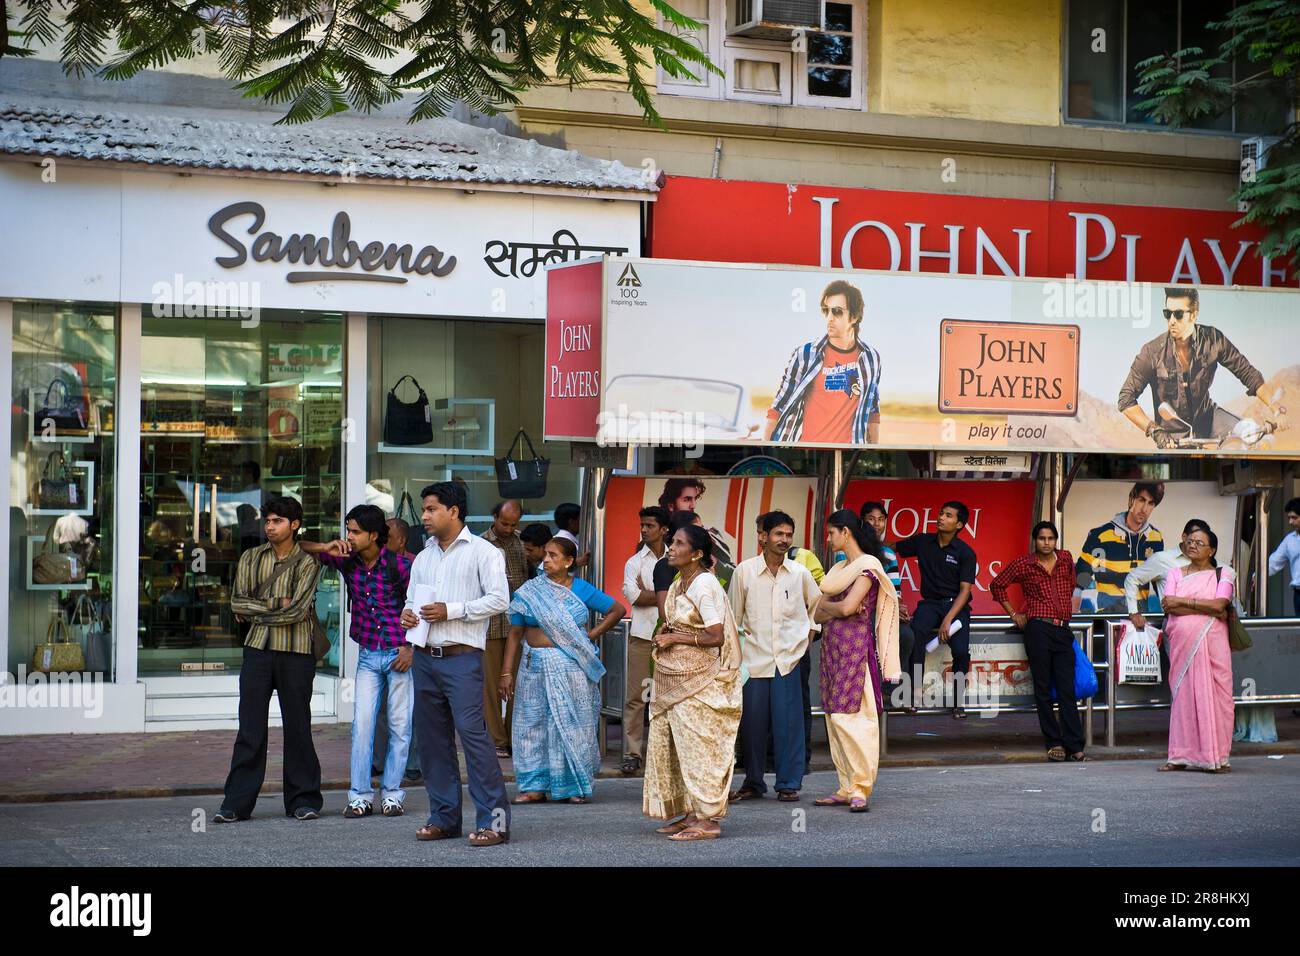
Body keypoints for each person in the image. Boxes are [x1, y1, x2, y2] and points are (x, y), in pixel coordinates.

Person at [399, 482, 512, 846]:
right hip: (425, 658)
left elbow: (499, 600)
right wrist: (408, 615)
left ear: (454, 511)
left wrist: (454, 610)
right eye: (425, 509)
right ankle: (444, 818)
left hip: (463, 659)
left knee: (474, 740)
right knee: (432, 742)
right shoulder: (423, 556)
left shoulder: (484, 552)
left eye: (431, 509)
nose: (425, 516)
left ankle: (495, 823)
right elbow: (411, 600)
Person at [299, 505, 414, 816]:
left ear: (373, 535)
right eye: (348, 530)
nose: (348, 536)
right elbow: (299, 546)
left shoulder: (401, 566)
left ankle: (392, 794)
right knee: (362, 725)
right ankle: (360, 796)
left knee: (400, 726)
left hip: (398, 653)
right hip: (367, 655)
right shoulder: (346, 561)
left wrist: (410, 648)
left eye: (355, 532)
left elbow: (418, 606)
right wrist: (327, 546)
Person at [215, 496, 324, 823]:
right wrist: (275, 604)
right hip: (258, 650)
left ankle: (303, 800)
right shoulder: (251, 557)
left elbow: (297, 610)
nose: (269, 526)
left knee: (298, 727)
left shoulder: (308, 561)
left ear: (294, 525)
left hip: (297, 653)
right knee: (249, 728)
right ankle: (235, 803)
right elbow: (237, 603)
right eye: (268, 521)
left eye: (277, 521)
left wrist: (258, 608)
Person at [499, 537, 625, 804]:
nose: (546, 560)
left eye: (553, 556)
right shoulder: (530, 590)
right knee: (531, 725)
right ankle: (534, 786)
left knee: (571, 724)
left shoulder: (581, 588)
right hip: (533, 665)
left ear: (569, 562)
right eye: (545, 554)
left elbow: (617, 609)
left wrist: (591, 635)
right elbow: (516, 633)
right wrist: (506, 672)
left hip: (570, 667)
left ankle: (573, 786)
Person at [643, 524, 744, 841]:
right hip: (678, 679)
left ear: (698, 554)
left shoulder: (703, 584)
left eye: (679, 543)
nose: (671, 547)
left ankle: (709, 820)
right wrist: (667, 637)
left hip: (703, 683)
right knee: (681, 749)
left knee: (700, 749)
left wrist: (675, 636)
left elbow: (716, 636)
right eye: (672, 542)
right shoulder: (679, 584)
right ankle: (690, 813)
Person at [728, 510, 820, 803]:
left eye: (788, 535)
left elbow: (816, 607)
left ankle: (788, 783)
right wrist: (735, 660)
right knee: (753, 726)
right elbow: (733, 617)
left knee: (789, 725)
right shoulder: (744, 571)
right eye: (778, 534)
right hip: (753, 660)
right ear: (763, 537)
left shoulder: (800, 573)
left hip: (789, 660)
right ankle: (753, 782)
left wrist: (808, 636)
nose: (784, 540)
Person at [811, 510, 900, 812]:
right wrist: (842, 608)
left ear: (845, 532)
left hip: (856, 652)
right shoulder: (838, 570)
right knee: (834, 718)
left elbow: (845, 607)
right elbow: (819, 612)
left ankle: (861, 786)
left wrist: (840, 607)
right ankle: (846, 786)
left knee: (851, 718)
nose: (828, 538)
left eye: (831, 532)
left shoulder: (868, 567)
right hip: (833, 650)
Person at [1119, 286, 1268, 447]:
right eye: (1167, 314)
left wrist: (1275, 406)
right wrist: (1155, 430)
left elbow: (1248, 374)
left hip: (1210, 419)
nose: (1172, 321)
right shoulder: (1151, 352)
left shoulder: (1213, 340)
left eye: (1178, 314)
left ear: (1194, 315)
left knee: (1253, 435)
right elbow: (1125, 400)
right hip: (1173, 437)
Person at [991, 521, 1086, 762]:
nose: (1046, 542)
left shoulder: (1065, 559)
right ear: (1035, 541)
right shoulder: (1024, 564)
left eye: (1050, 538)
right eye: (1042, 538)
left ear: (1056, 540)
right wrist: (1014, 614)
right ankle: (1054, 742)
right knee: (1042, 688)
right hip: (1038, 629)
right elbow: (997, 585)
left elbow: (1073, 583)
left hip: (1063, 629)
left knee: (1067, 689)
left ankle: (1074, 744)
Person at [764, 279, 883, 444]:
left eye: (837, 311)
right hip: (808, 456)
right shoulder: (805, 355)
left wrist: (870, 452)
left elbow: (872, 411)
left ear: (854, 317)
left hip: (851, 456)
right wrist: (767, 450)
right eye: (826, 311)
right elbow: (778, 407)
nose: (829, 317)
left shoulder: (871, 358)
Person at [1159, 527, 1236, 773]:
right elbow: (1169, 607)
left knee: (1218, 698)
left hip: (1213, 645)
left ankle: (1217, 756)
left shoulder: (1224, 574)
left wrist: (1183, 601)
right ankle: (1179, 755)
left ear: (1211, 550)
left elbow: (1220, 604)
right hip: (1182, 646)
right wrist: (1206, 607)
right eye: (1190, 541)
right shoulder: (1174, 573)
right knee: (1183, 699)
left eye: (1199, 542)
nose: (1192, 545)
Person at [895, 501, 976, 717]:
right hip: (929, 604)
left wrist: (948, 619)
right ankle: (915, 693)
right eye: (941, 513)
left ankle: (958, 702)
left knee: (960, 651)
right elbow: (891, 549)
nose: (941, 517)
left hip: (956, 607)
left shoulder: (965, 552)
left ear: (959, 524)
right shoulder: (923, 541)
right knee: (916, 635)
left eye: (948, 516)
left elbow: (965, 591)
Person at [620, 505, 672, 774]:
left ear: (664, 529)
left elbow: (682, 595)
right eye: (642, 525)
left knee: (668, 697)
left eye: (649, 525)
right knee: (637, 696)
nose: (644, 529)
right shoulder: (634, 561)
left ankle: (664, 752)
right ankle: (632, 753)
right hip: (643, 636)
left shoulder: (677, 557)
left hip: (674, 636)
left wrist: (651, 592)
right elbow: (634, 597)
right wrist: (663, 594)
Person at [1075, 481, 1165, 614]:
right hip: (1106, 616)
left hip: (1139, 618)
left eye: (1151, 503)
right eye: (1142, 500)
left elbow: (1158, 581)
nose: (1144, 509)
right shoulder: (1100, 536)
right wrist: (1075, 601)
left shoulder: (1155, 538)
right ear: (1132, 498)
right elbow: (1084, 573)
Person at [482, 499, 528, 757]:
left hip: (518, 624)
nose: (508, 528)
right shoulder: (481, 544)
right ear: (494, 517)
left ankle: (513, 736)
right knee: (490, 686)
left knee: (517, 684)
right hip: (490, 624)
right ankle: (497, 740)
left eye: (513, 524)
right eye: (504, 522)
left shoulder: (522, 543)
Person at [860, 500, 914, 705]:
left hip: (887, 608)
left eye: (881, 519)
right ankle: (880, 691)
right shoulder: (850, 549)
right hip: (864, 609)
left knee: (907, 635)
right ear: (862, 521)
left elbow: (894, 589)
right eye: (871, 519)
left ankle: (899, 692)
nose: (876, 524)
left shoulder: (889, 553)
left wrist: (899, 607)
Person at [1125, 519, 1213, 631]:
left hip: (1206, 627)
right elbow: (1132, 578)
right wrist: (1133, 612)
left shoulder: (1208, 563)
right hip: (1176, 627)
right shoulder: (1163, 559)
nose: (1195, 544)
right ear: (1184, 537)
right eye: (1193, 538)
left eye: (1201, 541)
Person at [1267, 498, 1300, 616]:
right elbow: (1275, 561)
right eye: (1289, 518)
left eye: (1294, 518)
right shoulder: (1289, 540)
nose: (1290, 522)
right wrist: (1257, 576)